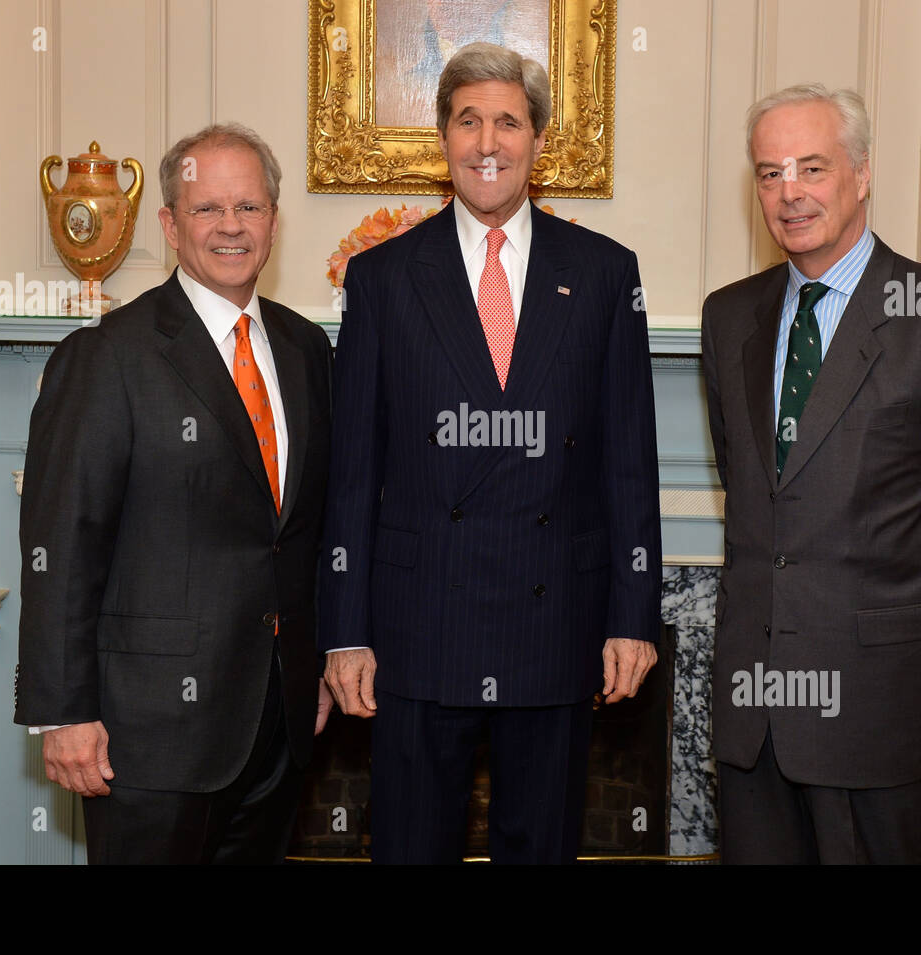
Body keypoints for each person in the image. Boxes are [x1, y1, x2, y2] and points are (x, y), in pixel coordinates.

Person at [320, 43, 662, 864]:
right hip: (416, 630)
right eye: (468, 120)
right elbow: (353, 472)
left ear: (539, 141)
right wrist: (343, 630)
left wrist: (634, 614)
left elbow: (629, 462)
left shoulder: (608, 275)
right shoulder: (381, 279)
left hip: (555, 628)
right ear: (442, 137)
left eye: (508, 121)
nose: (488, 141)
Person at [701, 84, 921, 863]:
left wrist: (914, 633)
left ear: (862, 172)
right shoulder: (728, 316)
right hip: (754, 712)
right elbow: (756, 493)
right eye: (769, 172)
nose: (789, 193)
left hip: (880, 702)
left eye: (811, 168)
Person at [14, 123, 333, 864]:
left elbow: (304, 531)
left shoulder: (306, 350)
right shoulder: (106, 355)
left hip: (275, 728)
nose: (231, 226)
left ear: (274, 223)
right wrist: (63, 712)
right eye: (207, 208)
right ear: (168, 224)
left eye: (250, 208)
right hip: (146, 738)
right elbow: (61, 541)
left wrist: (311, 666)